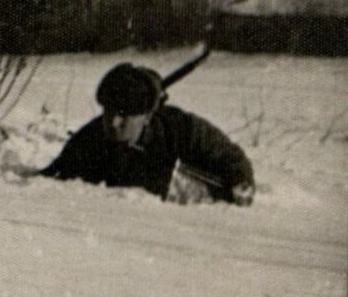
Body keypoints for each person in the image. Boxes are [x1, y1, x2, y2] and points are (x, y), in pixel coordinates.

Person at [40, 62, 255, 205]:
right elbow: (50, 180)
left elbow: (231, 160)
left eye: (125, 116)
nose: (114, 122)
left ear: (147, 116)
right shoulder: (88, 141)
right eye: (109, 112)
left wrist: (240, 184)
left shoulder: (180, 129)